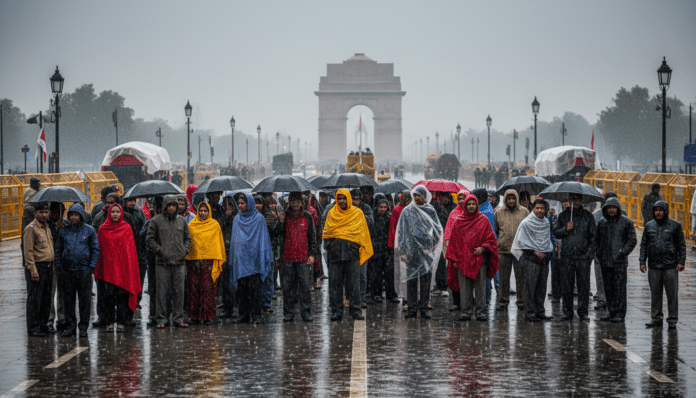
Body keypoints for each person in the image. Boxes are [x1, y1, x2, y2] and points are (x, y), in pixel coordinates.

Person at [323, 189, 373, 321]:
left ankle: (356, 310)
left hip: (352, 255)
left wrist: (354, 247)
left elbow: (363, 234)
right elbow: (327, 232)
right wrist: (330, 246)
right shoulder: (331, 213)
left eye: (344, 198)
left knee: (354, 285)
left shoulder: (357, 214)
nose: (341, 201)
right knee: (335, 285)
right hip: (335, 255)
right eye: (339, 198)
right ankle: (337, 311)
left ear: (348, 199)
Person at [446, 195, 498, 321]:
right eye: (468, 204)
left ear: (477, 205)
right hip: (463, 260)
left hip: (479, 260)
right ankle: (466, 312)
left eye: (473, 204)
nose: (471, 206)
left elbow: (490, 239)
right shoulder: (459, 221)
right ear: (465, 206)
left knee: (480, 287)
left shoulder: (484, 220)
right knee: (464, 288)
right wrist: (455, 260)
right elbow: (454, 242)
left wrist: (483, 248)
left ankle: (480, 312)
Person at [395, 185, 443, 319]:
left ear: (425, 196)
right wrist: (403, 251)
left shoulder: (430, 210)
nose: (416, 198)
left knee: (425, 282)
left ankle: (424, 308)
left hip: (426, 252)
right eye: (414, 195)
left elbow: (437, 230)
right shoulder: (407, 211)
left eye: (419, 195)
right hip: (411, 252)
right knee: (411, 281)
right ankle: (412, 308)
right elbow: (402, 232)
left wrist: (432, 246)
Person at [94, 203, 141, 332]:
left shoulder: (126, 228)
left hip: (122, 270)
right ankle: (109, 322)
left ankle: (120, 322)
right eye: (113, 212)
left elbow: (130, 252)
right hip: (108, 270)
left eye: (117, 212)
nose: (115, 214)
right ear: (109, 213)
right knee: (108, 298)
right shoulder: (103, 229)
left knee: (121, 297)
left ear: (121, 213)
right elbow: (100, 251)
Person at [146, 195, 191, 328]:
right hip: (162, 263)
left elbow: (187, 238)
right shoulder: (156, 221)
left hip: (179, 263)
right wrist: (160, 251)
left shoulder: (182, 221)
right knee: (162, 293)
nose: (171, 208)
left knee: (179, 292)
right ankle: (161, 319)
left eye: (174, 205)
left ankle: (178, 318)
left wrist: (184, 250)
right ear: (165, 206)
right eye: (169, 205)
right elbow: (149, 240)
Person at [640, 200, 686, 329]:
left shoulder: (675, 225)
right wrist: (642, 262)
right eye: (656, 210)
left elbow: (681, 245)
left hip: (670, 266)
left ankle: (672, 320)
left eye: (661, 210)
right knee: (655, 294)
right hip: (654, 266)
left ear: (665, 211)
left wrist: (681, 262)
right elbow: (644, 245)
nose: (658, 212)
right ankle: (656, 318)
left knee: (672, 295)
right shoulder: (649, 226)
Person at [55, 204, 99, 338]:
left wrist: (90, 267)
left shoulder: (89, 230)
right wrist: (60, 266)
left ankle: (83, 327)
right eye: (71, 215)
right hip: (67, 271)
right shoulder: (63, 231)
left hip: (84, 271)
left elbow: (95, 249)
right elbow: (58, 249)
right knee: (68, 300)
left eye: (76, 214)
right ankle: (70, 327)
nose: (74, 217)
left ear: (81, 216)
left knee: (84, 300)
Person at [230, 193, 274, 324]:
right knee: (242, 290)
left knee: (255, 290)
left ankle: (256, 315)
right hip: (242, 260)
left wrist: (262, 256)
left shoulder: (259, 218)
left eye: (243, 203)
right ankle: (243, 315)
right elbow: (235, 241)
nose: (241, 206)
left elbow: (263, 239)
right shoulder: (237, 219)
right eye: (239, 203)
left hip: (255, 260)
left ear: (249, 204)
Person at [554, 193, 596, 321]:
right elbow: (556, 233)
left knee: (584, 286)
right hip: (567, 257)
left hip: (583, 257)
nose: (576, 201)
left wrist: (589, 255)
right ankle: (567, 312)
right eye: (573, 199)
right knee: (567, 286)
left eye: (578, 199)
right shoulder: (563, 215)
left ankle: (583, 312)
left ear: (582, 200)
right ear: (570, 200)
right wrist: (565, 229)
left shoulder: (588, 216)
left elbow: (593, 237)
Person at [276, 192, 318, 322]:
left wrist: (312, 254)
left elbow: (312, 237)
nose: (295, 204)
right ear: (289, 202)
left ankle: (306, 313)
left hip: (303, 258)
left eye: (297, 201)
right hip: (287, 258)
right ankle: (288, 314)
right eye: (292, 201)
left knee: (305, 287)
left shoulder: (307, 216)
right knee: (288, 288)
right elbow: (278, 233)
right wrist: (281, 221)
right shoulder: (284, 215)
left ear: (302, 202)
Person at [511, 199, 554, 322]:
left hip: (544, 260)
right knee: (529, 287)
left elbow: (546, 240)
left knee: (542, 287)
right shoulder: (526, 223)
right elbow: (521, 242)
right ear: (533, 209)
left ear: (545, 209)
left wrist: (545, 252)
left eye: (542, 208)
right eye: (537, 208)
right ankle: (529, 312)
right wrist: (535, 252)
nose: (539, 211)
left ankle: (540, 311)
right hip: (530, 260)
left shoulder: (546, 223)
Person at [596, 197, 637, 323]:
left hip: (619, 262)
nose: (611, 210)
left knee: (619, 289)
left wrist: (622, 252)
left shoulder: (626, 222)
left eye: (614, 207)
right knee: (608, 288)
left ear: (618, 208)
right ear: (606, 209)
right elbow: (597, 241)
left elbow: (632, 240)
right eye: (609, 207)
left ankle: (620, 313)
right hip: (606, 262)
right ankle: (611, 311)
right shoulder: (602, 223)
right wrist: (599, 255)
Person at [185, 202, 225, 325]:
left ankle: (208, 316)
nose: (203, 213)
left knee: (208, 289)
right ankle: (194, 316)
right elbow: (189, 243)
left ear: (209, 212)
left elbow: (218, 244)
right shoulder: (191, 225)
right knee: (194, 289)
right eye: (200, 211)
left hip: (209, 263)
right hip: (194, 263)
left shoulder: (215, 225)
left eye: (205, 211)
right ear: (197, 212)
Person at [494, 189, 530, 311]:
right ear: (505, 199)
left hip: (519, 250)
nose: (511, 201)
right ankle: (503, 302)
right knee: (503, 278)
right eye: (508, 198)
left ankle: (521, 301)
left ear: (516, 199)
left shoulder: (524, 212)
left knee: (521, 277)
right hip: (503, 250)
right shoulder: (498, 213)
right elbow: (497, 230)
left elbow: (529, 229)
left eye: (513, 198)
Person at [23, 202, 54, 337]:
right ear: (35, 213)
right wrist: (33, 270)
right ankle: (33, 327)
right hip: (37, 268)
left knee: (46, 299)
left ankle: (43, 325)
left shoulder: (47, 227)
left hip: (48, 268)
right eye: (41, 212)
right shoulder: (31, 228)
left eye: (46, 212)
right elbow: (28, 252)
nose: (44, 215)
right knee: (35, 300)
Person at [443, 190, 469, 311]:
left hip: (468, 250)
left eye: (464, 198)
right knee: (454, 276)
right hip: (455, 249)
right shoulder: (453, 213)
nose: (461, 201)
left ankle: (468, 302)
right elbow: (448, 230)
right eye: (459, 198)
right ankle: (456, 302)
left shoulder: (472, 213)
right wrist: (447, 243)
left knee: (467, 276)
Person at [253, 194, 279, 312]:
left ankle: (266, 302)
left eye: (259, 202)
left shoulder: (271, 216)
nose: (257, 205)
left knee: (268, 276)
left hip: (268, 250)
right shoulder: (250, 217)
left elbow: (275, 234)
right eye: (255, 203)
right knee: (257, 277)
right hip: (255, 251)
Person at [349, 188, 374, 308]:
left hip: (363, 246)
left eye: (357, 199)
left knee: (363, 275)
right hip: (350, 246)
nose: (355, 202)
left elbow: (370, 222)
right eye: (353, 199)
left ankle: (362, 298)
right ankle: (351, 298)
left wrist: (359, 215)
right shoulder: (346, 209)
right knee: (350, 275)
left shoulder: (366, 209)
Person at [472, 188, 498, 307]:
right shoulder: (487, 207)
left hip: (484, 246)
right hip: (485, 245)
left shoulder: (485, 211)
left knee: (484, 275)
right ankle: (484, 299)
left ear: (480, 198)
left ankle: (485, 299)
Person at [387, 190, 410, 303]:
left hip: (409, 245)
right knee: (401, 272)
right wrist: (394, 244)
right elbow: (393, 228)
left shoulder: (410, 210)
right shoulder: (397, 210)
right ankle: (403, 295)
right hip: (400, 246)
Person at [369, 194, 392, 303]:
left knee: (388, 273)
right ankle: (376, 294)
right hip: (375, 249)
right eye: (380, 207)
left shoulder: (389, 216)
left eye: (384, 207)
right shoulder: (372, 217)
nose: (383, 209)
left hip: (386, 249)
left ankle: (390, 294)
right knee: (376, 274)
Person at [218, 196, 237, 319]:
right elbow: (218, 227)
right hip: (224, 252)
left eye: (230, 204)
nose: (228, 207)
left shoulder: (238, 218)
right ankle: (227, 307)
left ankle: (236, 305)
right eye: (226, 204)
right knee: (225, 283)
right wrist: (225, 216)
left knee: (234, 282)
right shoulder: (221, 216)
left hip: (235, 252)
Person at [435, 192, 457, 297]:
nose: (442, 199)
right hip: (439, 238)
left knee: (447, 263)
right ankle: (440, 284)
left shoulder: (454, 208)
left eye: (444, 197)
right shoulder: (437, 207)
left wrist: (444, 211)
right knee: (440, 263)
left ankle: (446, 285)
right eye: (440, 197)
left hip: (450, 239)